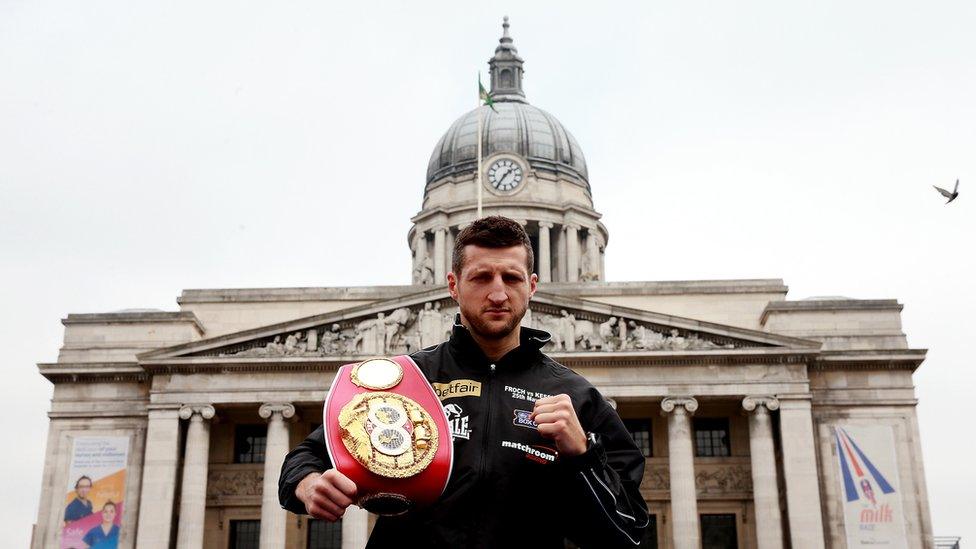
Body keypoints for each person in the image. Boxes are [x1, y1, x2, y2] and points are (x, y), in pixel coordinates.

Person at [278, 216, 648, 548]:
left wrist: (582, 455)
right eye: (481, 277)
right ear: (453, 285)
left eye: (512, 278)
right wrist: (308, 484)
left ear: (532, 285)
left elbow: (627, 532)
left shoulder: (577, 397)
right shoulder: (405, 380)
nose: (499, 293)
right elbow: (305, 456)